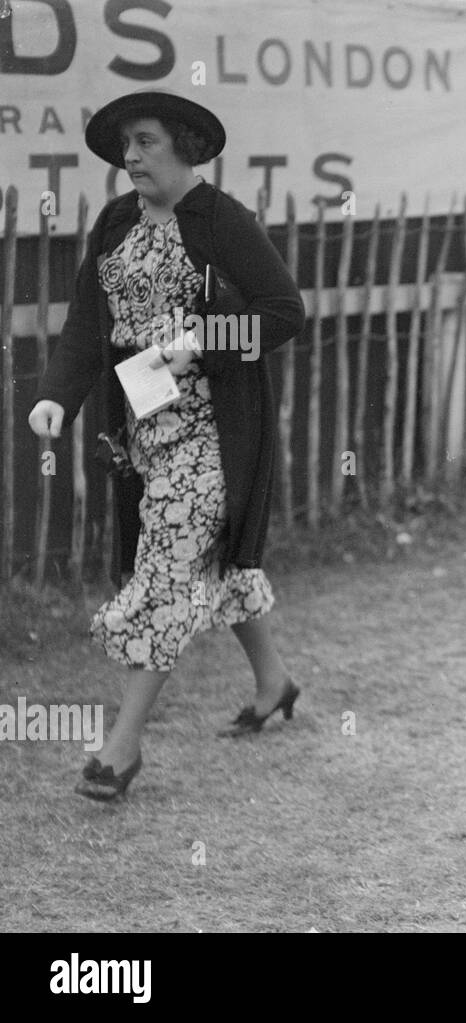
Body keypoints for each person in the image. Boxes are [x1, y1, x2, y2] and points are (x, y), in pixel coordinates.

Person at [28, 90, 306, 800]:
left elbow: (284, 312)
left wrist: (200, 345)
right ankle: (274, 682)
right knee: (212, 563)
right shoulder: (117, 220)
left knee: (167, 573)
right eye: (126, 146)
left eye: (146, 142)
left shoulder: (222, 220)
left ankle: (120, 751)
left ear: (185, 146)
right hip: (143, 433)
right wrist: (58, 394)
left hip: (216, 432)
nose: (131, 158)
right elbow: (90, 317)